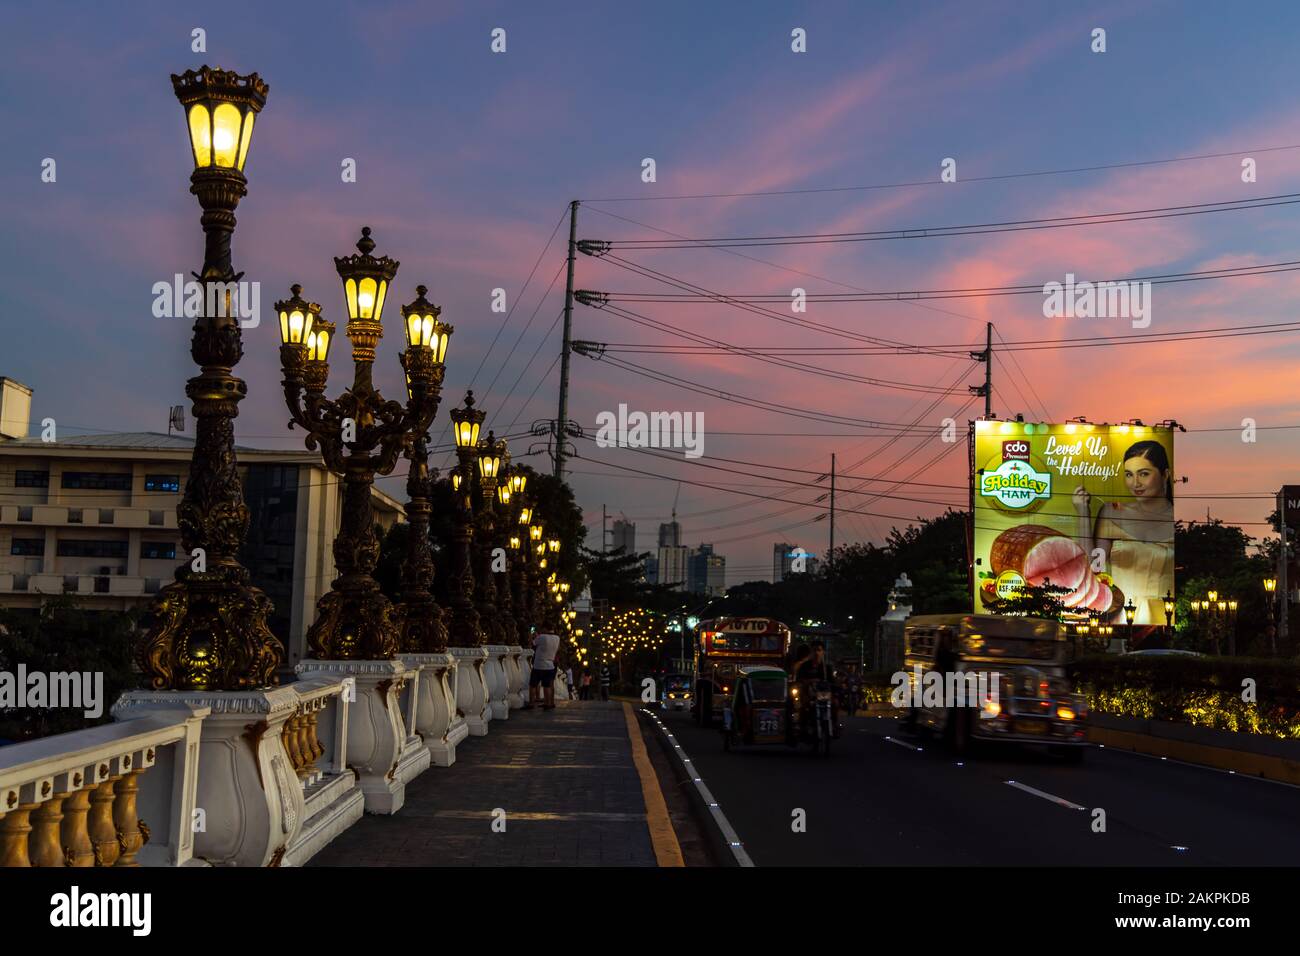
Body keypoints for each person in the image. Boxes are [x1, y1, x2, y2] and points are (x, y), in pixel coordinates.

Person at [1075, 439, 1175, 625]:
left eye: (1144, 474)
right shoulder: (1113, 512)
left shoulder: (1178, 519)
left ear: (1165, 474)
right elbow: (1093, 567)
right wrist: (1083, 514)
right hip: (1119, 615)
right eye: (1129, 475)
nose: (1135, 483)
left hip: (1166, 616)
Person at [526, 628, 561, 710]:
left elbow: (533, 643)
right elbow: (558, 649)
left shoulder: (541, 637)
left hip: (539, 665)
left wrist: (532, 636)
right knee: (547, 686)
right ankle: (548, 703)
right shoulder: (557, 638)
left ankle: (531, 703)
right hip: (550, 665)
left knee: (533, 685)